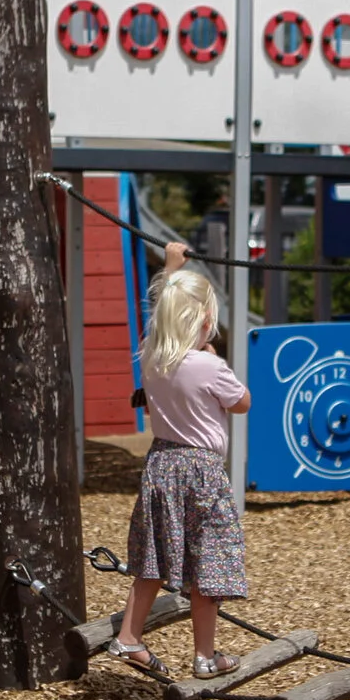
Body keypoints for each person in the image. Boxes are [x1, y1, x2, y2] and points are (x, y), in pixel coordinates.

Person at [117, 242, 251, 678]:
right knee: (209, 562)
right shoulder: (210, 367)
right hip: (202, 472)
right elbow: (243, 403)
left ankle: (129, 637)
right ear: (207, 321)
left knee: (155, 556)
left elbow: (158, 318)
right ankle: (205, 656)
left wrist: (172, 269)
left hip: (161, 465)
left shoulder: (152, 358)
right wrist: (219, 361)